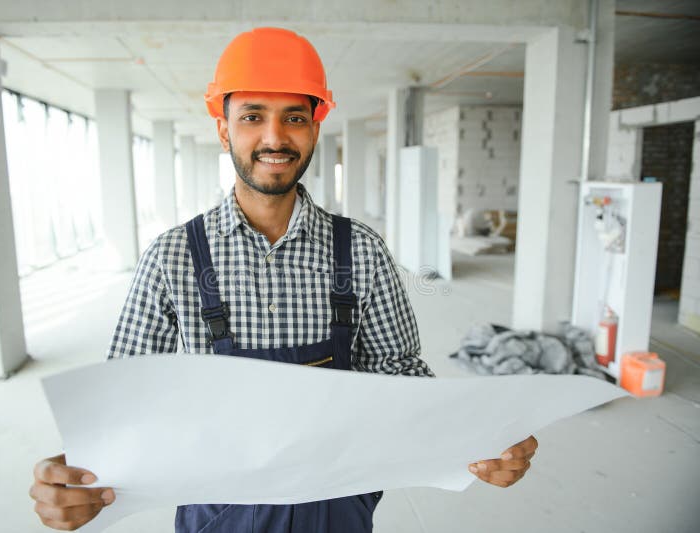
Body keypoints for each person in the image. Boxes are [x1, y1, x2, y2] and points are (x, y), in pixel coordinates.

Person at [29, 27, 538, 532]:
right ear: (224, 129)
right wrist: (78, 477)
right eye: (253, 116)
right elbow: (126, 402)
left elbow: (399, 377)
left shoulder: (361, 250)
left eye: (294, 117)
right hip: (218, 512)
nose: (275, 137)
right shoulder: (173, 258)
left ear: (315, 128)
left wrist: (474, 438)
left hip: (337, 507)